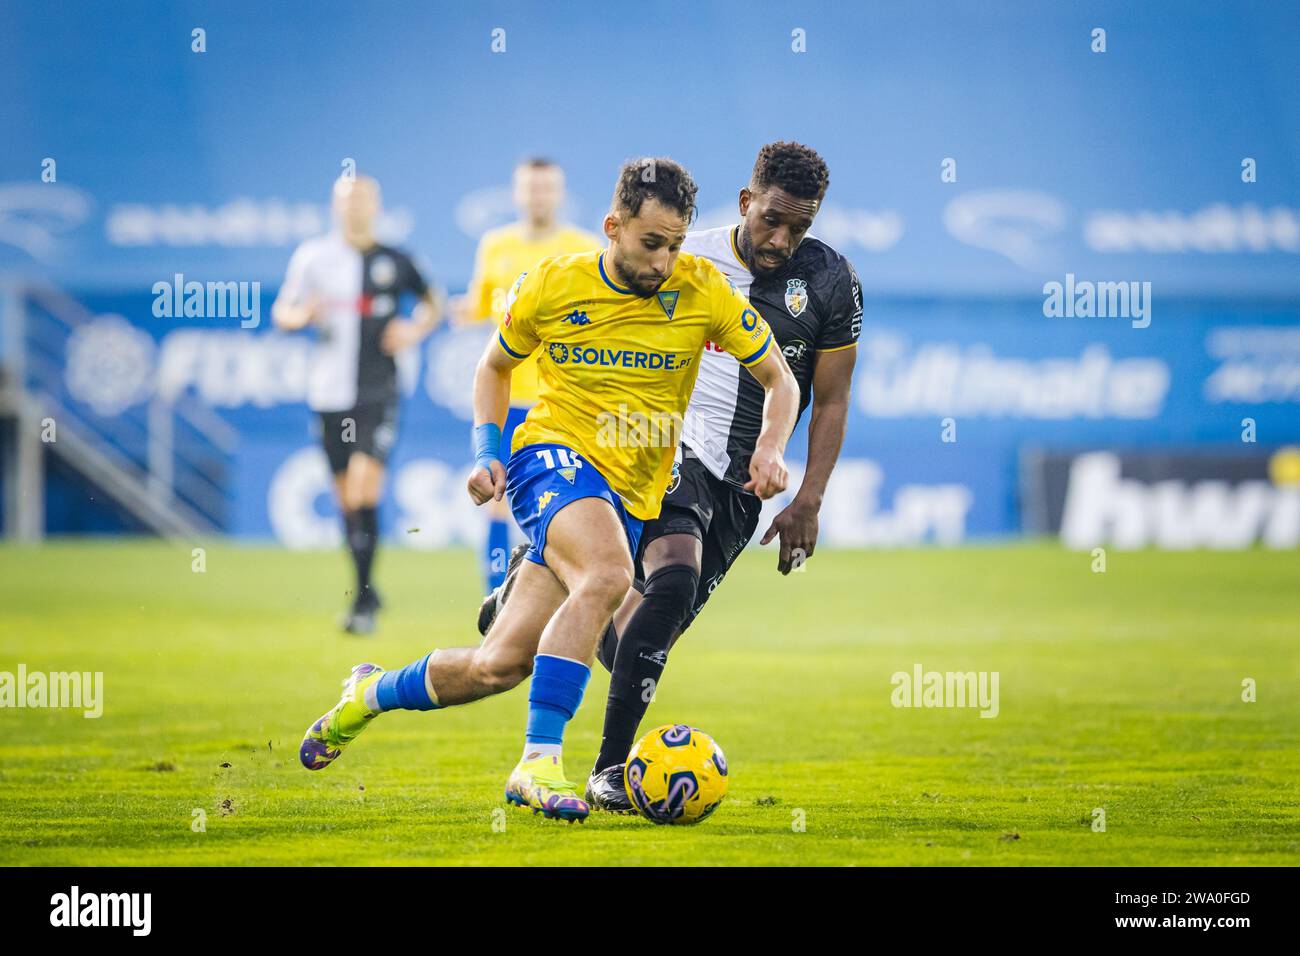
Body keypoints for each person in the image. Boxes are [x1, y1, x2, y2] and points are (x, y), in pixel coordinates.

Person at [299, 157, 799, 823]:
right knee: (610, 574)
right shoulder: (555, 284)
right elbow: (494, 367)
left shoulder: (703, 289)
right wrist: (487, 453)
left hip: (630, 491)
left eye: (676, 244)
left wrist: (769, 446)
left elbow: (780, 380)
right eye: (651, 243)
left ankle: (369, 694)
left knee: (497, 666)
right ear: (612, 227)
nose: (664, 261)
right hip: (550, 456)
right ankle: (537, 762)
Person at [272, 174, 442, 635]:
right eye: (347, 200)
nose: (354, 208)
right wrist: (299, 316)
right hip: (328, 393)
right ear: (334, 206)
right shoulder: (313, 257)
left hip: (379, 390)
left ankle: (363, 603)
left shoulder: (396, 259)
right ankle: (366, 586)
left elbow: (433, 303)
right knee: (346, 497)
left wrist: (412, 330)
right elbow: (283, 311)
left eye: (362, 200)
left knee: (366, 488)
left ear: (376, 206)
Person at [453, 158, 601, 595]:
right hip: (507, 397)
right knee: (495, 501)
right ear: (517, 194)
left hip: (561, 402)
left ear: (560, 193)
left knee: (565, 502)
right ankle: (495, 598)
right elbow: (482, 307)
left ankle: (564, 590)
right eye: (530, 188)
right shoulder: (495, 246)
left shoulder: (583, 247)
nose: (538, 197)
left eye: (546, 188)